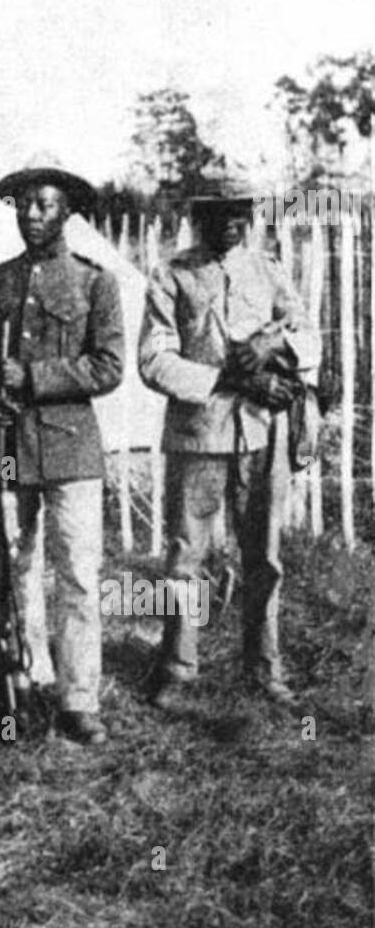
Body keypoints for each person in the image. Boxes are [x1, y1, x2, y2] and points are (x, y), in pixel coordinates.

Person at [138, 176, 321, 711]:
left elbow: (310, 339)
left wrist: (273, 343)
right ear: (198, 215)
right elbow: (154, 360)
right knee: (185, 555)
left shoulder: (267, 271)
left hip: (264, 429)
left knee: (263, 554)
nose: (231, 222)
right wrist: (228, 379)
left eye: (240, 211)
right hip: (199, 433)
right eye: (218, 212)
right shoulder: (172, 275)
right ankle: (177, 668)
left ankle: (264, 668)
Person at [0, 164, 124, 745]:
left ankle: (79, 699)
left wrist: (31, 376)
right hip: (8, 449)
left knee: (78, 573)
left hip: (70, 450)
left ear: (67, 213)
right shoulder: (0, 280)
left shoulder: (94, 283)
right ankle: (24, 677)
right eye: (25, 205)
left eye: (45, 205)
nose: (32, 215)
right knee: (15, 568)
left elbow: (107, 366)